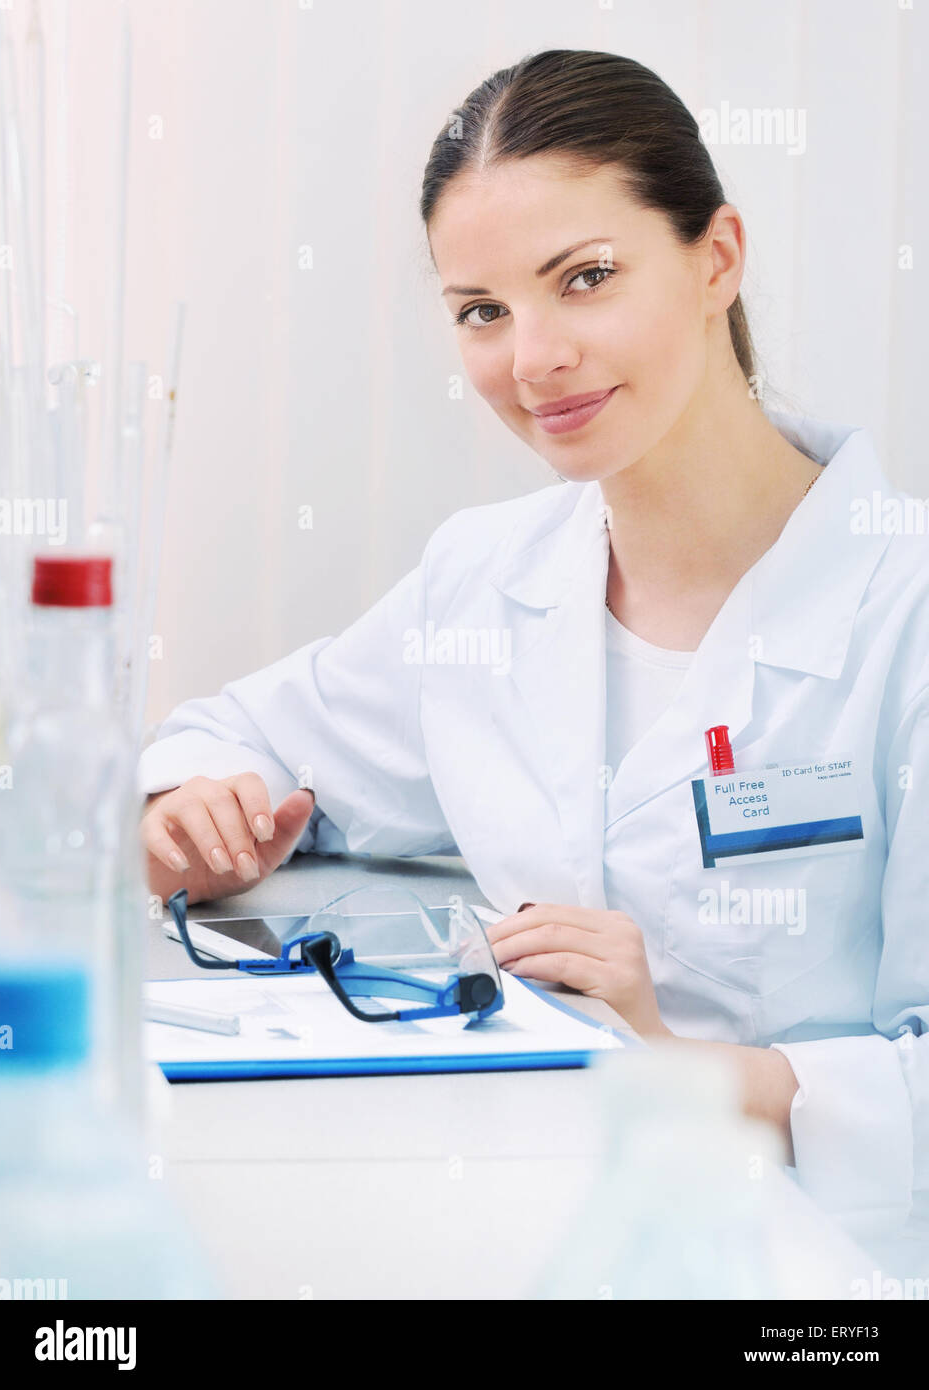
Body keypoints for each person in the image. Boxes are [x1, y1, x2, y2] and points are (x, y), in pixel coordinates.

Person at [139, 49, 929, 1273]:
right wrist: (194, 805)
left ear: (716, 256)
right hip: (544, 1231)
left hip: (820, 1270)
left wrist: (680, 1065)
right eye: (482, 311)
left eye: (586, 279)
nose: (532, 357)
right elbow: (237, 737)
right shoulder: (486, 585)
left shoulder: (902, 607)